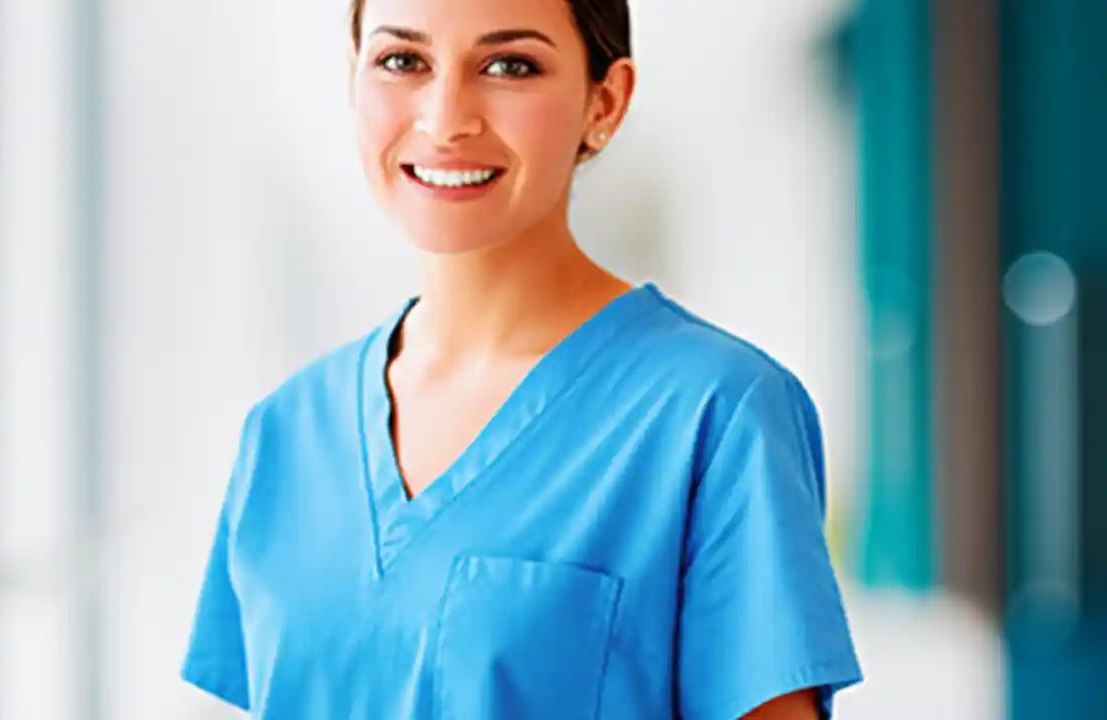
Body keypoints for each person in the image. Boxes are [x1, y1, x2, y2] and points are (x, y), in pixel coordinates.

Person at [180, 0, 863, 717]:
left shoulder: (714, 412)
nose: (446, 119)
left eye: (509, 65)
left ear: (605, 101)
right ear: (354, 78)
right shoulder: (285, 431)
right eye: (402, 61)